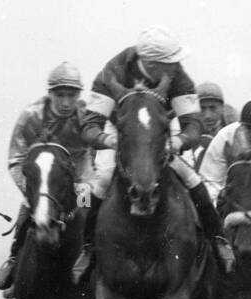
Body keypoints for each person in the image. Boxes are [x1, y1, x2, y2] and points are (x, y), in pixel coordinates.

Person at [72, 24, 236, 283]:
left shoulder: (178, 76)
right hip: (119, 136)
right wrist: (108, 140)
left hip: (159, 137)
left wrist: (180, 141)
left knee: (193, 179)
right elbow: (89, 126)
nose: (176, 66)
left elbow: (193, 124)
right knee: (100, 183)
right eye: (169, 62)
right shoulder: (111, 72)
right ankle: (88, 248)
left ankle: (217, 239)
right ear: (150, 62)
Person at [0, 62, 95, 293]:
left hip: (79, 173)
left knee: (89, 208)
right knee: (31, 208)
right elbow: (16, 159)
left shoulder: (86, 116)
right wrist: (33, 189)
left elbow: (95, 155)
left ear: (79, 94)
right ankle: (14, 260)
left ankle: (100, 263)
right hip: (44, 179)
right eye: (60, 95)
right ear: (50, 94)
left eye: (72, 95)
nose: (66, 102)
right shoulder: (30, 116)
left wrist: (86, 185)